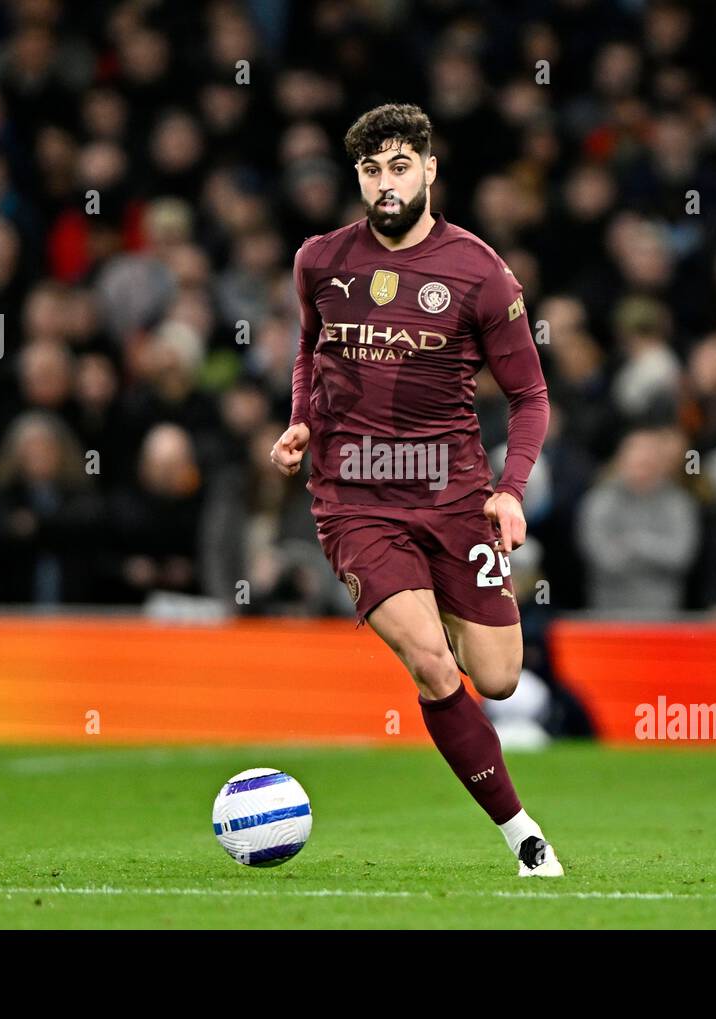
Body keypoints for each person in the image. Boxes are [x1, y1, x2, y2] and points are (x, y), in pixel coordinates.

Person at [269, 103, 561, 877]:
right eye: (372, 169)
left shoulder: (480, 273)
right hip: (355, 497)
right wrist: (300, 422)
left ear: (430, 170)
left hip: (455, 492)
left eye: (400, 166)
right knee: (433, 665)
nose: (386, 183)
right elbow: (309, 349)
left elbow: (529, 396)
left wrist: (509, 489)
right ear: (358, 178)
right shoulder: (320, 261)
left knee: (496, 676)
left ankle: (481, 678)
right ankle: (524, 837)